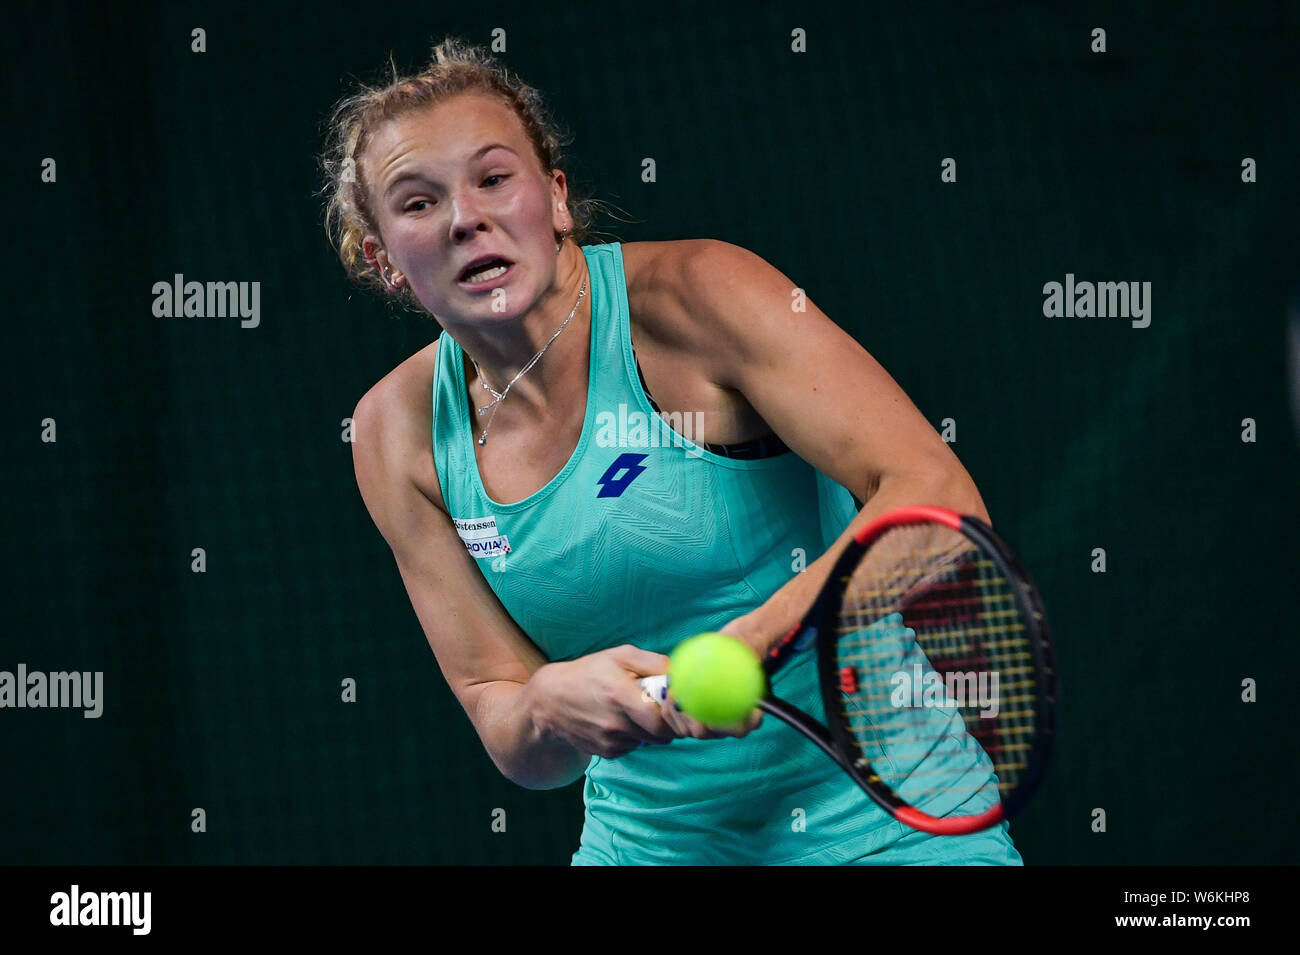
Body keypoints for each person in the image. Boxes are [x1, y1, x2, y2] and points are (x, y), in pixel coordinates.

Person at [321, 38, 1021, 864]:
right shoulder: (393, 433)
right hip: (648, 846)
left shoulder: (706, 296)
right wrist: (548, 704)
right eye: (417, 202)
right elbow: (505, 721)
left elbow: (940, 501)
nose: (466, 216)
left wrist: (754, 642)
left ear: (554, 198)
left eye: (494, 177)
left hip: (888, 820)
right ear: (383, 260)